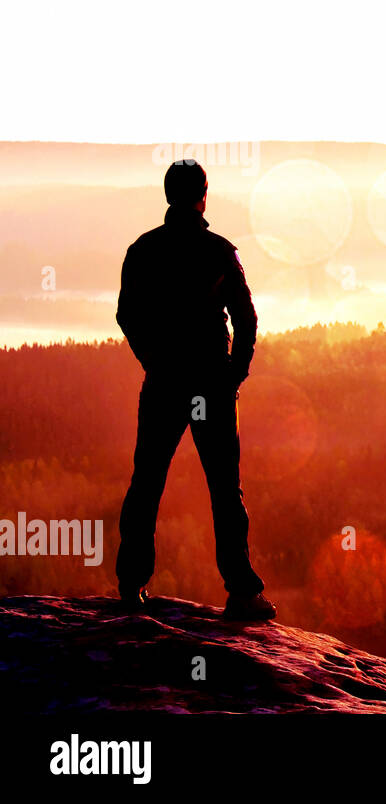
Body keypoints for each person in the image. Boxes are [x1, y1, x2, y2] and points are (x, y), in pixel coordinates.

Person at [114, 159, 276, 621]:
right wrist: (233, 376)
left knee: (146, 481)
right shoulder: (219, 252)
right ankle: (242, 592)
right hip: (211, 385)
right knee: (225, 489)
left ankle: (131, 584)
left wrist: (153, 361)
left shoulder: (143, 250)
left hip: (164, 383)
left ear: (168, 194)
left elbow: (127, 314)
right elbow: (245, 320)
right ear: (203, 195)